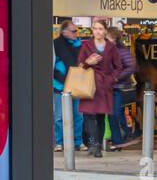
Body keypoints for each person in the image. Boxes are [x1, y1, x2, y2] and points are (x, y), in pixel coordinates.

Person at [76, 17, 126, 158]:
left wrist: (111, 79)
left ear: (105, 31)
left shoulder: (111, 47)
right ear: (92, 30)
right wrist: (88, 62)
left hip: (104, 86)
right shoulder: (86, 46)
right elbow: (80, 65)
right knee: (88, 115)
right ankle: (94, 145)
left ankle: (96, 144)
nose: (97, 31)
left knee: (100, 116)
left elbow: (118, 66)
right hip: (89, 84)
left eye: (100, 29)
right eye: (95, 28)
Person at [52, 19, 85, 152]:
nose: (76, 33)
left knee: (78, 116)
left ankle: (78, 141)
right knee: (59, 116)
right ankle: (59, 142)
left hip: (76, 84)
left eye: (76, 31)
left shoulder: (79, 45)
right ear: (64, 32)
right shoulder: (55, 44)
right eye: (73, 31)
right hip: (60, 84)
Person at [108, 27, 138, 149]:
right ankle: (118, 141)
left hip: (119, 87)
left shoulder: (121, 51)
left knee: (115, 113)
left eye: (107, 38)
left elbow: (132, 66)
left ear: (114, 39)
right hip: (109, 87)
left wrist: (117, 77)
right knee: (112, 114)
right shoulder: (107, 50)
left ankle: (126, 135)